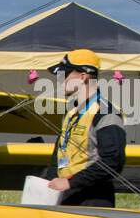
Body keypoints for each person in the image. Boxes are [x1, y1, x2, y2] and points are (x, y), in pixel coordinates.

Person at [44, 49, 126, 208]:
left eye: (65, 74)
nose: (60, 80)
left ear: (83, 76)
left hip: (92, 201)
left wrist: (70, 183)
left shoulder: (105, 112)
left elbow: (113, 161)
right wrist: (50, 182)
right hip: (65, 197)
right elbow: (59, 154)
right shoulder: (71, 112)